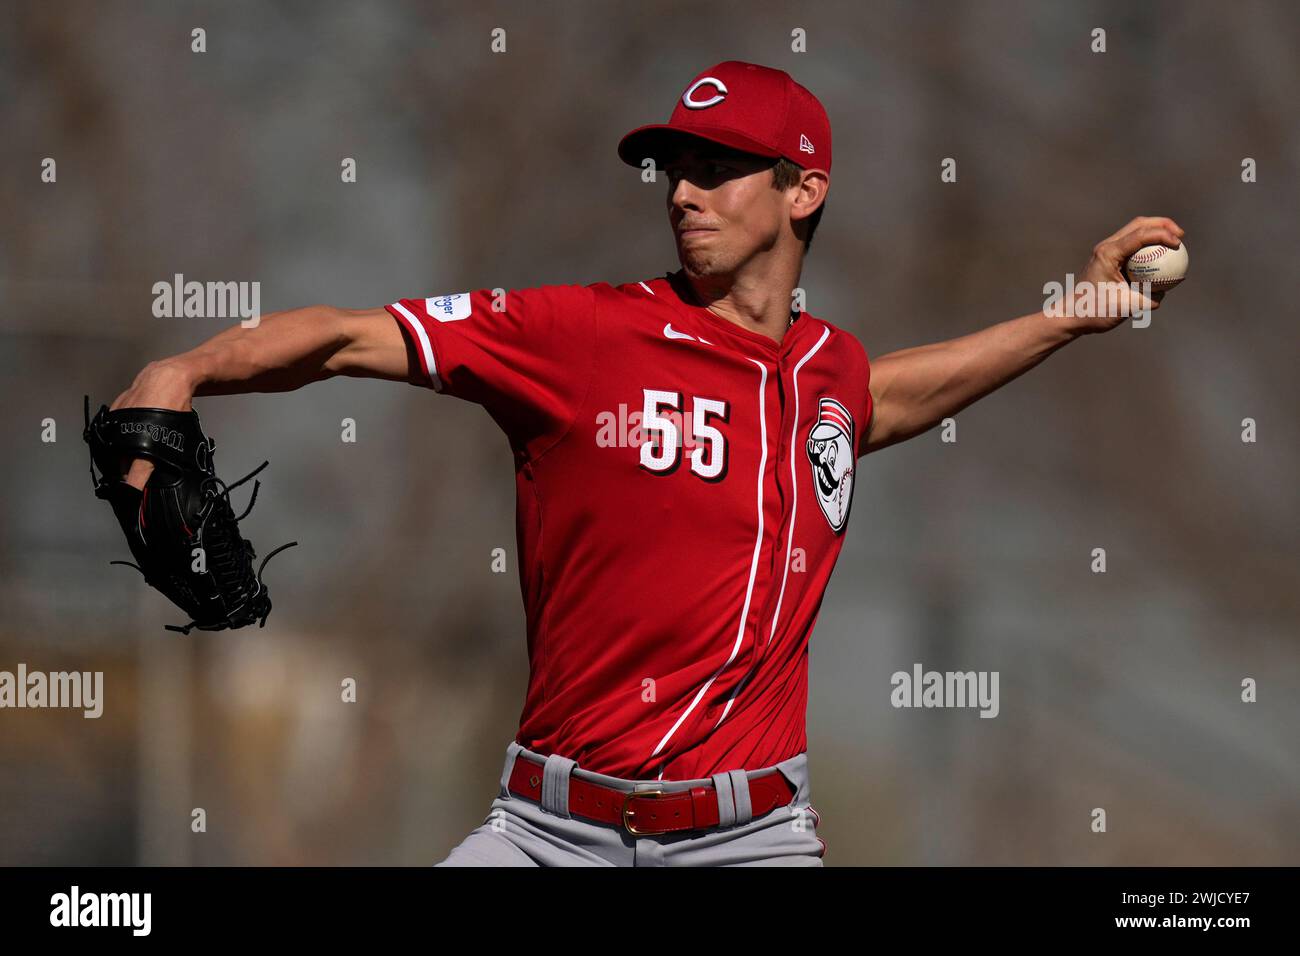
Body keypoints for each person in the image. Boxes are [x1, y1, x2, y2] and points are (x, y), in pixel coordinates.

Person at [109, 60, 1185, 866]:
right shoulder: (578, 337)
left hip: (751, 837)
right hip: (548, 830)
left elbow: (890, 395)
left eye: (717, 169)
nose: (683, 191)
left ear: (801, 189)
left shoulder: (827, 370)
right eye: (675, 169)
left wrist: (1070, 316)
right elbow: (350, 335)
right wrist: (192, 362)